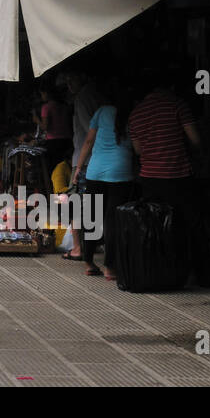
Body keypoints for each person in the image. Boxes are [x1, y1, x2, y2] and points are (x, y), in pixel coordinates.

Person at [128, 75, 210, 285]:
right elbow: (196, 139)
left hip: (149, 179)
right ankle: (201, 276)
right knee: (191, 225)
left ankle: (159, 272)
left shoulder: (136, 113)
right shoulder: (177, 105)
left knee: (156, 227)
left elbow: (138, 150)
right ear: (170, 86)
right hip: (178, 176)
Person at [71, 83, 137, 279]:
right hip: (121, 172)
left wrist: (79, 167)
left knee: (92, 217)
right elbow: (136, 147)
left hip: (95, 171)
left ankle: (90, 263)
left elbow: (88, 142)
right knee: (112, 220)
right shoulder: (132, 115)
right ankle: (110, 267)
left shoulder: (102, 111)